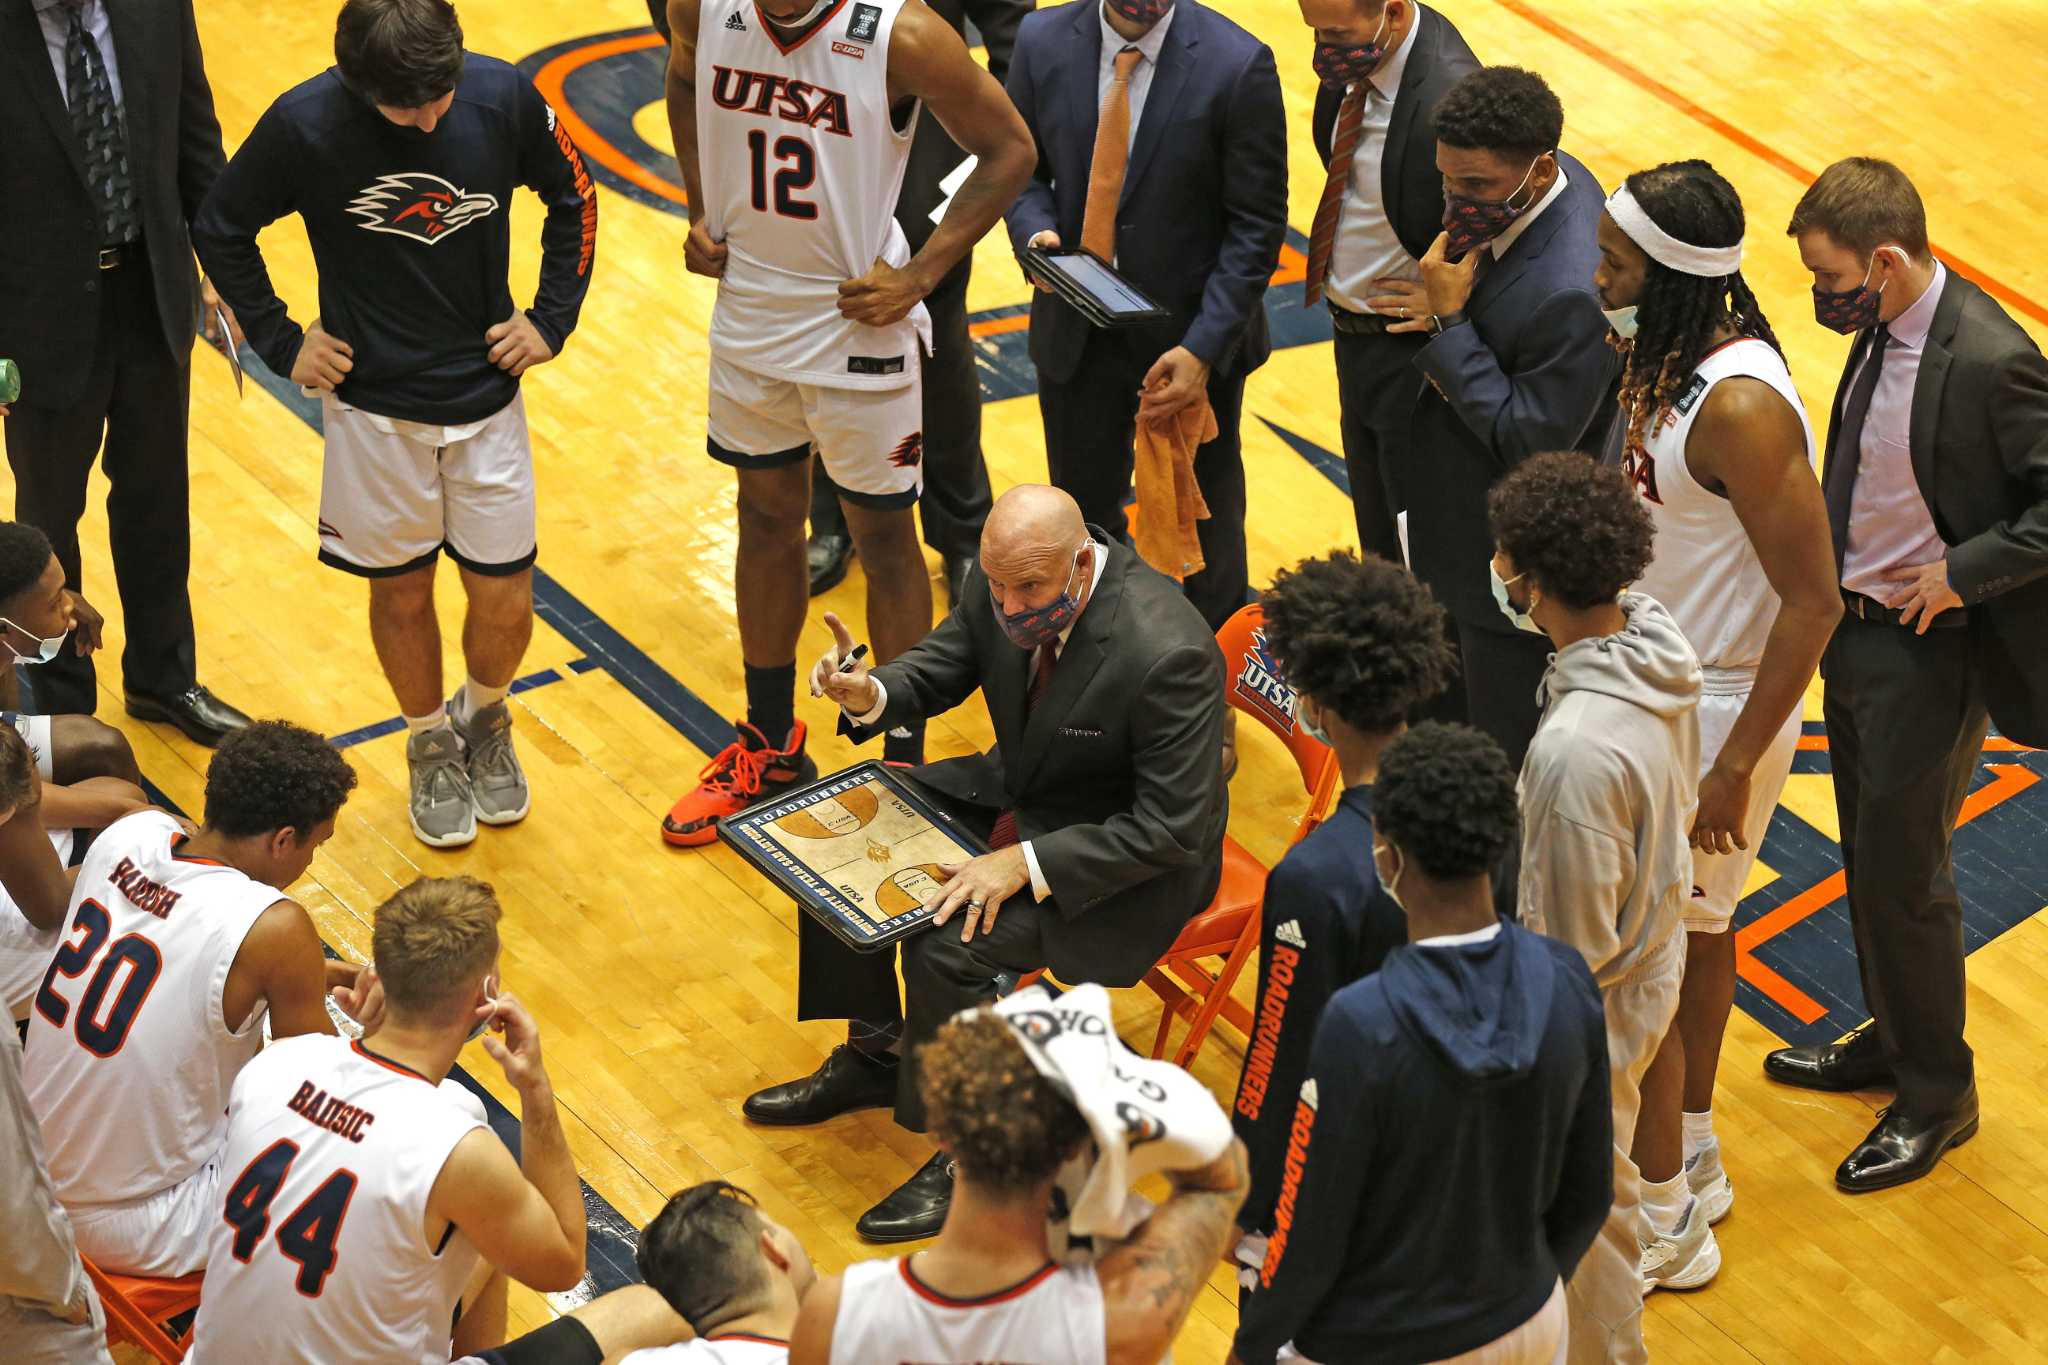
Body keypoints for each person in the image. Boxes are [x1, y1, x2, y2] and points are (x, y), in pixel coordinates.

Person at [745, 484, 1226, 1240]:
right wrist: (870, 690)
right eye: (997, 586)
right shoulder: (1005, 577)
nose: (1009, 605)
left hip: (1125, 861)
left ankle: (971, 1154)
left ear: (1078, 564)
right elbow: (942, 663)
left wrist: (1025, 863)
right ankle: (879, 1049)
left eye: (1027, 588)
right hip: (1026, 792)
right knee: (837, 844)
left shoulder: (1170, 649)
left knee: (948, 942)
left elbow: (1173, 828)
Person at [193, 0, 599, 850]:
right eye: (406, 105)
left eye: (440, 96)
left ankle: (485, 717)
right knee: (403, 591)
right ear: (355, 81)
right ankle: (426, 739)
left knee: (506, 594)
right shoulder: (303, 123)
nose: (429, 117)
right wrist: (278, 337)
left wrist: (551, 318)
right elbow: (222, 224)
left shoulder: (502, 97)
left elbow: (575, 195)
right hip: (371, 414)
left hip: (488, 404)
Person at [658, 0, 1036, 831]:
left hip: (857, 319)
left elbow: (1011, 150)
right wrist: (696, 200)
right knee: (762, 518)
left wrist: (924, 272)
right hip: (751, 304)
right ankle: (769, 741)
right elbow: (684, 72)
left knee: (886, 540)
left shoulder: (903, 34)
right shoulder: (704, 6)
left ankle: (904, 769)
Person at [1769, 157, 2048, 1192]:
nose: (1819, 297)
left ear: (1884, 262)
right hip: (1850, 628)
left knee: (1906, 876)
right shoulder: (1881, 328)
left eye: (1830, 277)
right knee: (1869, 856)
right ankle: (1891, 1036)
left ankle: (1936, 1094)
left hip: (1928, 646)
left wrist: (1962, 577)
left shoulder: (1987, 357)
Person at [1591, 160, 1841, 1290]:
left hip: (1718, 705)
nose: (1594, 278)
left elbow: (1814, 600)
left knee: (1666, 943)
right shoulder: (1665, 353)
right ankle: (1686, 1151)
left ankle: (1665, 1201)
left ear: (1676, 277)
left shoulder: (1739, 405)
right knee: (1678, 936)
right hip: (1655, 683)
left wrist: (1736, 764)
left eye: (1613, 264)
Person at [1232, 722, 1611, 1365]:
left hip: (1381, 1339)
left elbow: (1311, 1230)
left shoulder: (1360, 1022)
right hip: (1528, 1320)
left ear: (1389, 857)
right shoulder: (1567, 976)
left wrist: (1252, 1345)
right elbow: (1590, 1191)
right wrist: (1529, 1287)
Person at [184, 876, 587, 1363]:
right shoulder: (458, 1146)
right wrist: (536, 1088)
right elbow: (564, 1264)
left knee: (479, 1226)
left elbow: (353, 1112)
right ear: (487, 994)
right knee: (631, 1309)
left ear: (377, 979)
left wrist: (373, 1032)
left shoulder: (273, 1065)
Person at [22, 721, 368, 1277]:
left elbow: (171, 938)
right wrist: (400, 1030)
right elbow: (318, 1097)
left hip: (19, 1169)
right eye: (315, 845)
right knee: (360, 1164)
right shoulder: (276, 927)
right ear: (283, 839)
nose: (310, 864)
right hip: (124, 1218)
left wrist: (310, 974)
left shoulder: (133, 833)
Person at [1491, 452, 1699, 1365]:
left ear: (1533, 584)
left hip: (1597, 1000)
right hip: (1651, 946)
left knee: (1588, 1203)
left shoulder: (1576, 754)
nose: (1493, 573)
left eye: (1504, 562)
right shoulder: (1649, 634)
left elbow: (1566, 950)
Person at [0, 0, 252, 742]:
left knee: (157, 500)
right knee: (48, 521)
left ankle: (163, 679)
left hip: (152, 293)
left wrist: (228, 274)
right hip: (35, 324)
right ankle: (59, 704)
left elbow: (198, 142)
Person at [1003, 0, 1286, 635]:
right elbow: (1019, 166)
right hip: (1076, 324)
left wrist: (1205, 349)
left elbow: (1256, 226)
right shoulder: (1041, 38)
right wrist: (1035, 232)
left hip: (1188, 344)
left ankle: (1213, 702)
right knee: (1082, 522)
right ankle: (1102, 672)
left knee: (1205, 528)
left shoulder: (1238, 65)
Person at [1369, 66, 1616, 766]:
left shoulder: (1571, 288)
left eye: (1474, 187)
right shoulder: (1549, 182)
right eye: (1448, 180)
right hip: (1453, 532)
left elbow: (1529, 438)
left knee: (1493, 757)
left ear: (1539, 172)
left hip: (1504, 573)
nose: (1453, 205)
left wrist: (1449, 322)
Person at [790, 1006, 1249, 1364]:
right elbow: (1218, 1185)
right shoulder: (1121, 1320)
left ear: (941, 1130)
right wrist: (1137, 1096)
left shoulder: (833, 1312)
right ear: (1074, 1145)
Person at [1229, 550, 1456, 1264]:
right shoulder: (1477, 800)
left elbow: (1278, 1051)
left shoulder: (1316, 873)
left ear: (1317, 704)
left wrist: (1249, 1203)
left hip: (1346, 1181)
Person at [805, 0, 1031, 606]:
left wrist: (977, 144)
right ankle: (831, 520)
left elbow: (1013, 34)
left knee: (939, 345)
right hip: (810, 141)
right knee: (816, 336)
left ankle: (962, 536)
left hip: (928, 154)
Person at [1297, 0, 1479, 563]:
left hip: (1409, 352)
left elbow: (1508, 214)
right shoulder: (1354, 62)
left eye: (1334, 32)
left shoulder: (1450, 96)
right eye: (1315, 31)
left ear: (1394, 13)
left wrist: (1452, 300)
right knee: (1377, 535)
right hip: (1353, 338)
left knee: (1416, 548)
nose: (1323, 48)